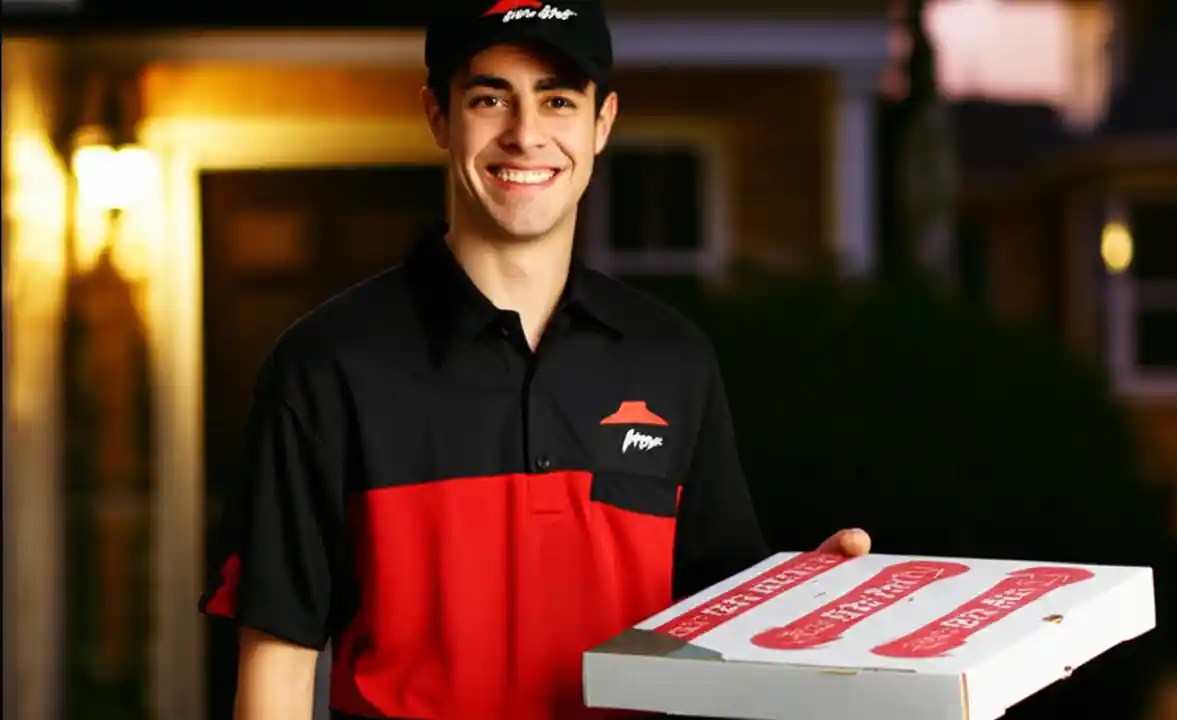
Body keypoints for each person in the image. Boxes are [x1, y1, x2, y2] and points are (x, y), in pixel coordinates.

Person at [199, 1, 872, 718]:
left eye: (558, 101)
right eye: (490, 99)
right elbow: (277, 664)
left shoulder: (672, 359)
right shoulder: (326, 365)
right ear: (438, 117)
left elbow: (719, 641)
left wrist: (806, 609)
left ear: (602, 122)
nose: (525, 135)